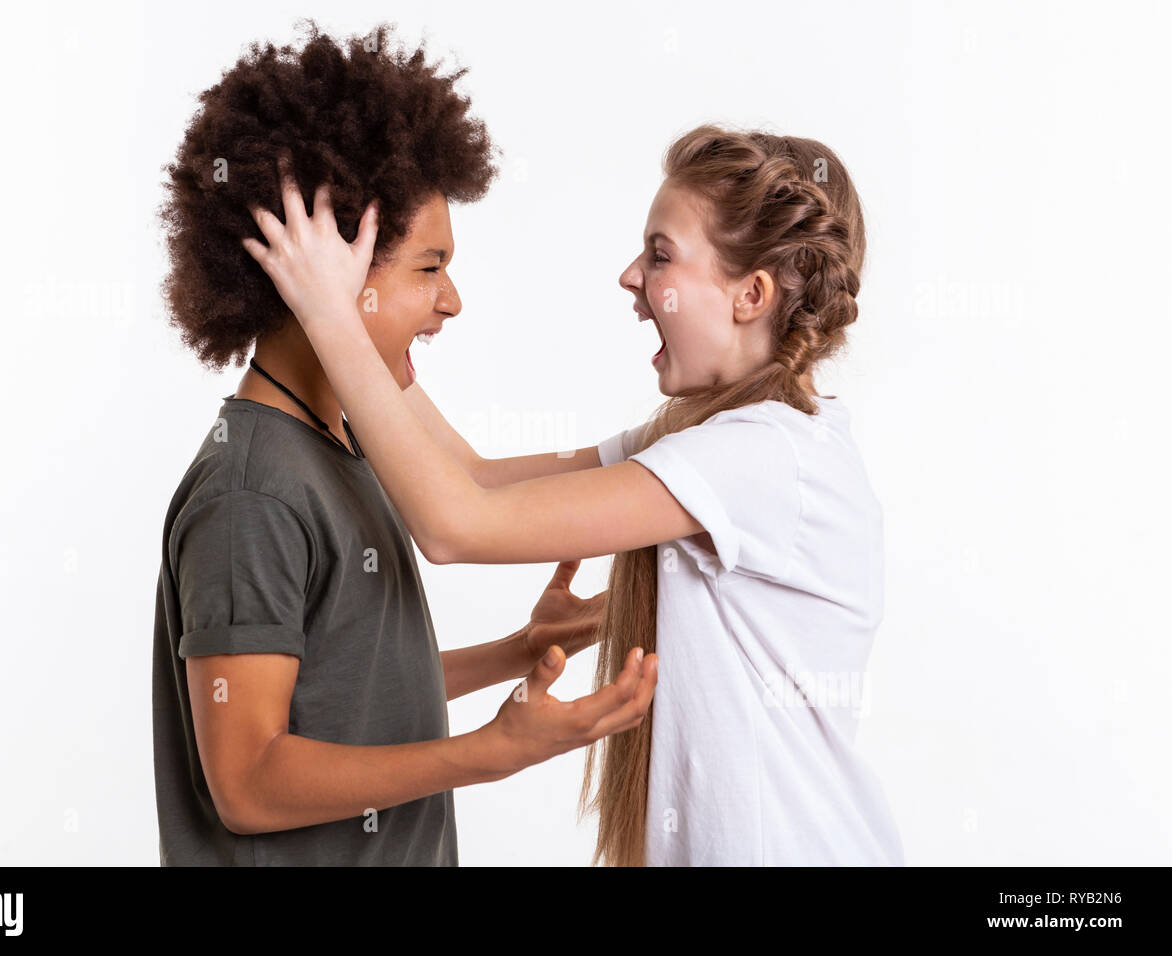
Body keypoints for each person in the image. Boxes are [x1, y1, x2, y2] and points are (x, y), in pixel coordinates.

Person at [242, 123, 906, 866]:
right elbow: (474, 476)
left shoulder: (761, 456)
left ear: (751, 294)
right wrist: (373, 334)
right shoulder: (705, 443)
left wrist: (331, 317)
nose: (630, 276)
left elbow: (454, 526)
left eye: (660, 255)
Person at [152, 22, 656, 867]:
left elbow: (345, 695)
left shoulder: (342, 444)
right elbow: (246, 782)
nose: (452, 301)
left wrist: (514, 654)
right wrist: (486, 755)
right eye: (429, 268)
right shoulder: (254, 492)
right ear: (328, 271)